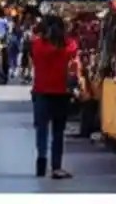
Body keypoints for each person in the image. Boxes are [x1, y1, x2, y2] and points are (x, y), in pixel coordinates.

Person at [31, 13, 83, 179]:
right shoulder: (70, 46)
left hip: (41, 92)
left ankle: (41, 163)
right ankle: (56, 167)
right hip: (62, 93)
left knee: (42, 130)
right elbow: (74, 55)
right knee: (58, 132)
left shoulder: (37, 45)